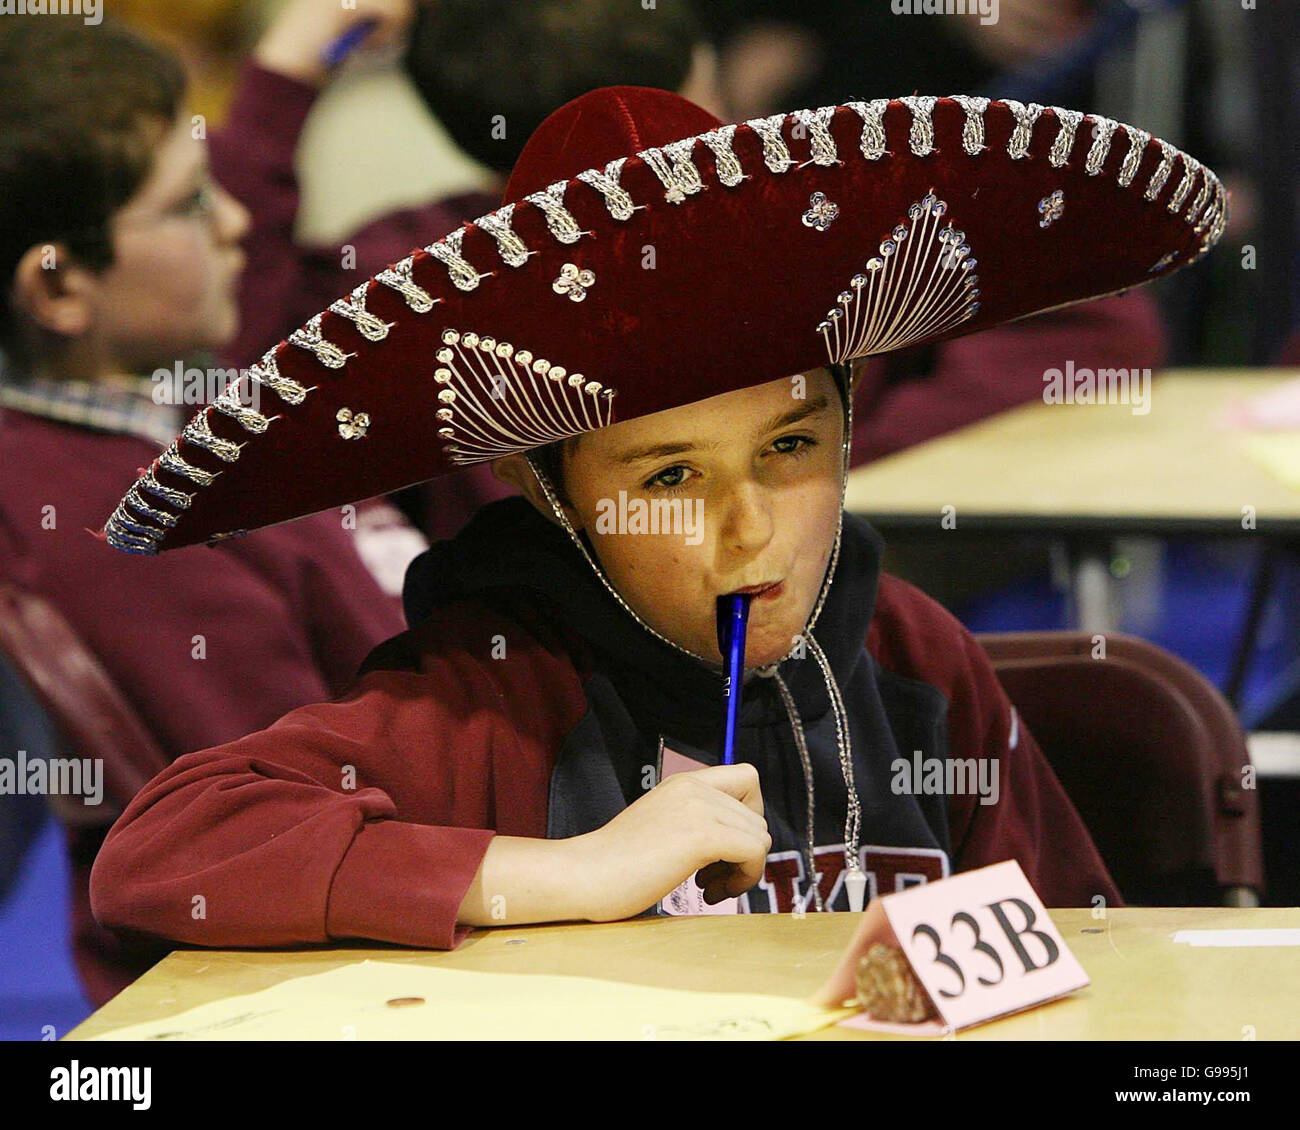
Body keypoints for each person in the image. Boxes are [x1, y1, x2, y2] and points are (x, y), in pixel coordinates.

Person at [90, 84, 1226, 949]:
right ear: (551, 493)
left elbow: (1084, 959)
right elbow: (160, 850)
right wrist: (568, 871)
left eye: (789, 448)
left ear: (848, 422)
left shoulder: (914, 657)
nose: (749, 530)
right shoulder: (491, 692)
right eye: (670, 477)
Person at [0, 19, 414, 1006]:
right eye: (189, 204)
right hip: (310, 985)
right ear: (58, 284)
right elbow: (313, 813)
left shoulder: (174, 388)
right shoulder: (98, 534)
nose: (233, 220)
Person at [214, 0, 724, 541]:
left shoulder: (406, 272)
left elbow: (240, 355)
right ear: (670, 116)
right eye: (714, 92)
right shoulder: (776, 236)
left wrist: (292, 58)